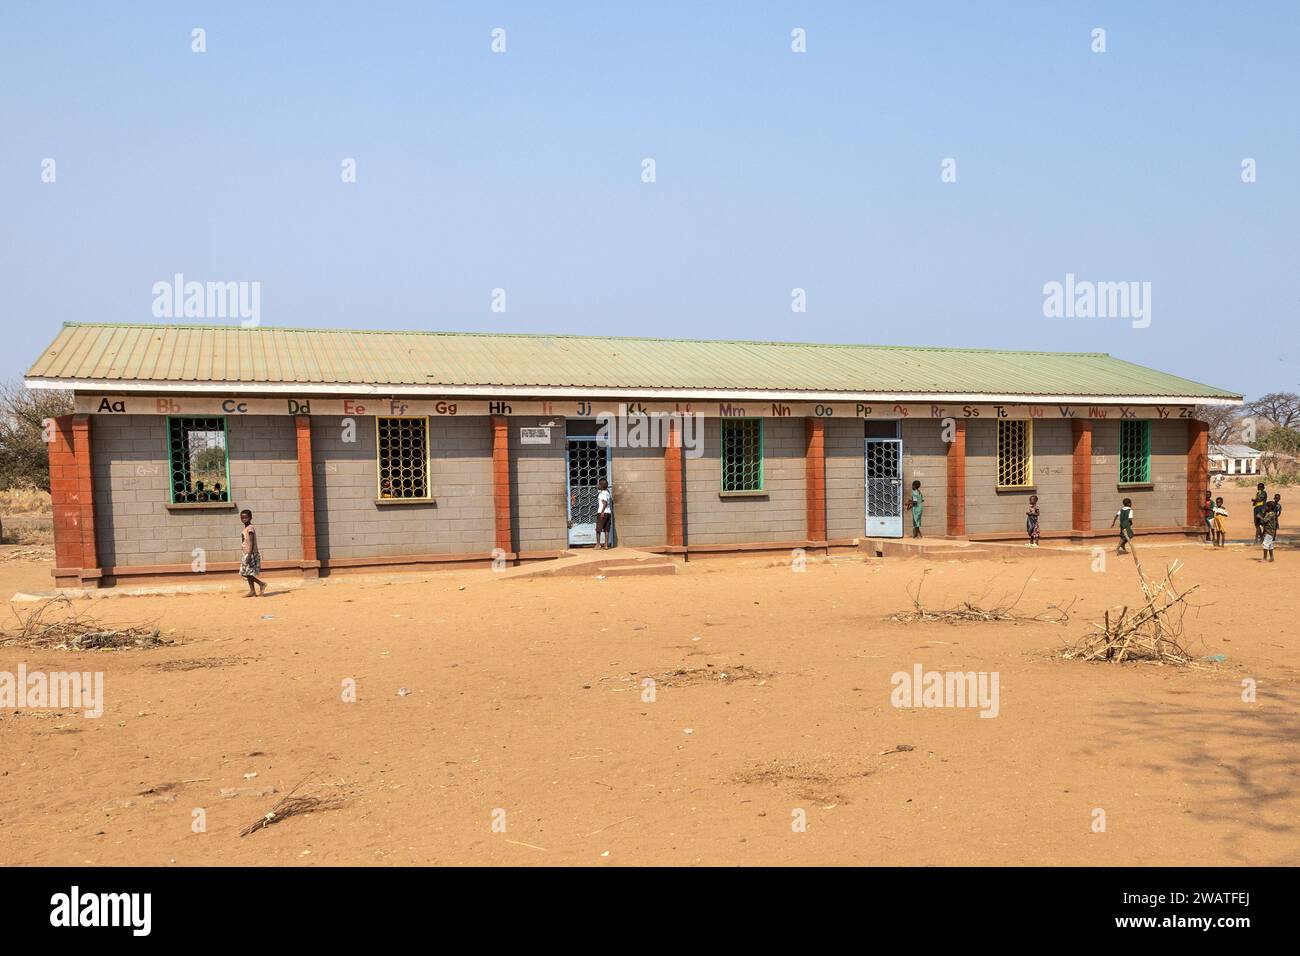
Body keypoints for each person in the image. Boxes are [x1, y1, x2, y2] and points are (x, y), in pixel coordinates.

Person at [239, 509, 268, 596]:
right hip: (246, 553)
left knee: (245, 573)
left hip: (250, 553)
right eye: (242, 517)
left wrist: (249, 555)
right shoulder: (246, 528)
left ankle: (261, 584)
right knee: (247, 573)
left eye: (246, 517)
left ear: (250, 518)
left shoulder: (250, 528)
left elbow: (252, 542)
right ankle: (252, 591)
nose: (244, 519)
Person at [595, 478, 613, 550]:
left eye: (598, 484)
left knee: (598, 529)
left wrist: (602, 512)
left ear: (601, 486)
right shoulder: (607, 492)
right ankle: (606, 545)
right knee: (606, 529)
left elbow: (605, 503)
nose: (597, 485)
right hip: (608, 513)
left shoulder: (603, 494)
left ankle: (598, 545)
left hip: (602, 513)